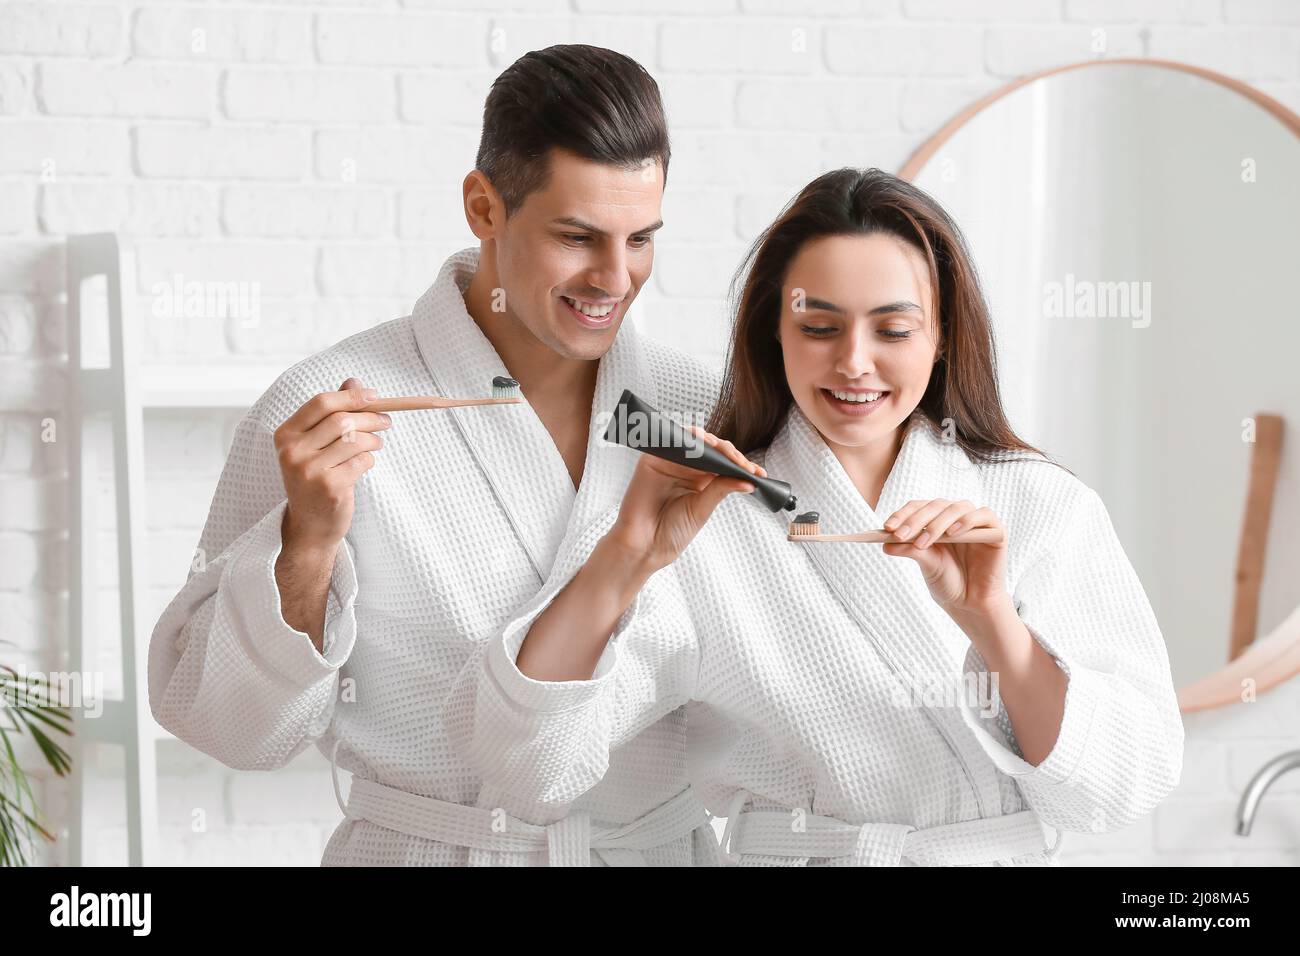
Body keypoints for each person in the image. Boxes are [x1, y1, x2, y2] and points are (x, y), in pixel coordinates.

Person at [444, 167, 1185, 866]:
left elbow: (1122, 787)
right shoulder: (710, 520)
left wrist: (994, 622)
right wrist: (625, 555)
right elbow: (525, 767)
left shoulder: (1042, 505)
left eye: (892, 331)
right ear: (775, 331)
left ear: (943, 338)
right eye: (820, 328)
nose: (854, 362)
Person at [148, 45, 723, 866]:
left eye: (642, 240)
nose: (615, 277)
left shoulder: (696, 413)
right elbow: (231, 729)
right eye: (578, 236)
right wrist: (307, 544)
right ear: (484, 207)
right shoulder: (329, 408)